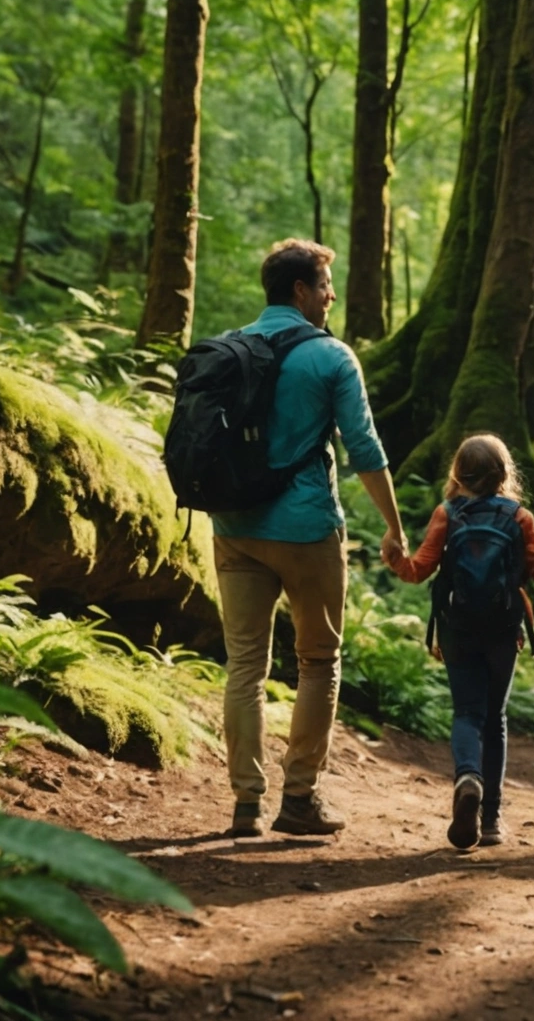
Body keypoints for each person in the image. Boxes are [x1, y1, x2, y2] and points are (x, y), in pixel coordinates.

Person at [212, 239, 407, 838]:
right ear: (300, 290)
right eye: (325, 284)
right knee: (319, 661)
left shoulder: (230, 347)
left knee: (244, 664)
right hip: (305, 530)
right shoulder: (331, 356)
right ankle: (299, 799)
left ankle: (245, 803)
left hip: (235, 526)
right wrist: (395, 528)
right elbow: (365, 449)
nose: (330, 295)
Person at [393, 434, 534, 849]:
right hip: (504, 628)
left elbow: (416, 571)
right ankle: (490, 820)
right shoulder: (519, 517)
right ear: (505, 474)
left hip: (457, 626)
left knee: (467, 712)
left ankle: (467, 777)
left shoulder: (447, 513)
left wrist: (392, 555)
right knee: (495, 719)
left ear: (457, 473)